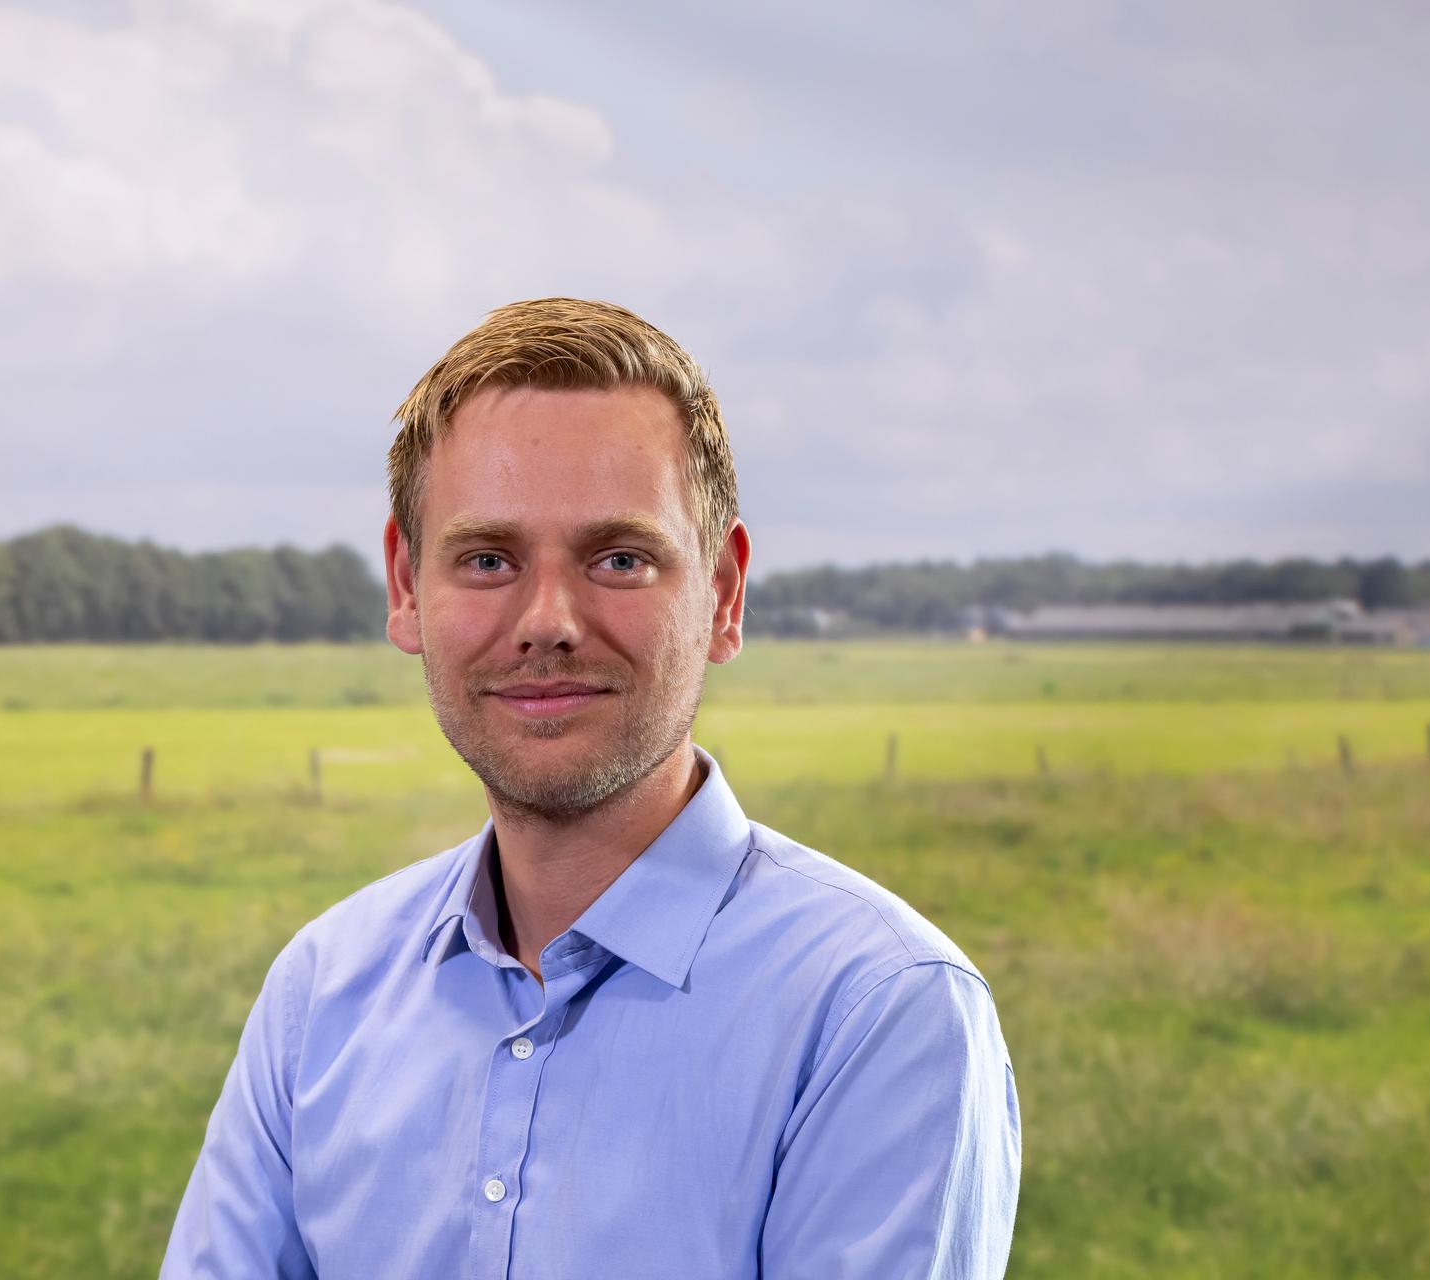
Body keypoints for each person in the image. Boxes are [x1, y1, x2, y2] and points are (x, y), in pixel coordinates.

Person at [160, 298, 1021, 1278]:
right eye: (489, 559)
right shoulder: (320, 994)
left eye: (619, 557)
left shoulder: (880, 1012)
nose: (548, 619)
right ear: (406, 587)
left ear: (724, 595)